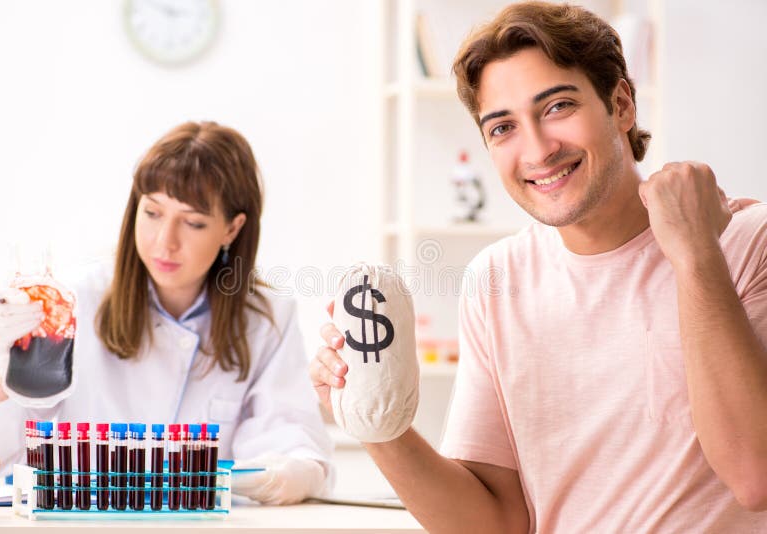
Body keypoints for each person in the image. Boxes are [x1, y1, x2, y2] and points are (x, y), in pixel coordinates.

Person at [311, 2, 767, 531]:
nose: (537, 150)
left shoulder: (745, 242)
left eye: (557, 108)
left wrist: (694, 256)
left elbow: (755, 475)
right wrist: (374, 422)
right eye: (503, 127)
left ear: (621, 104)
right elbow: (497, 522)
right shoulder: (495, 278)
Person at [0, 120, 333, 505]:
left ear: (232, 228)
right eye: (153, 213)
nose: (165, 242)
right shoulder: (71, 302)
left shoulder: (265, 322)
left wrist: (290, 474)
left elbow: (292, 443)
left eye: (193, 222)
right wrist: (1, 367)